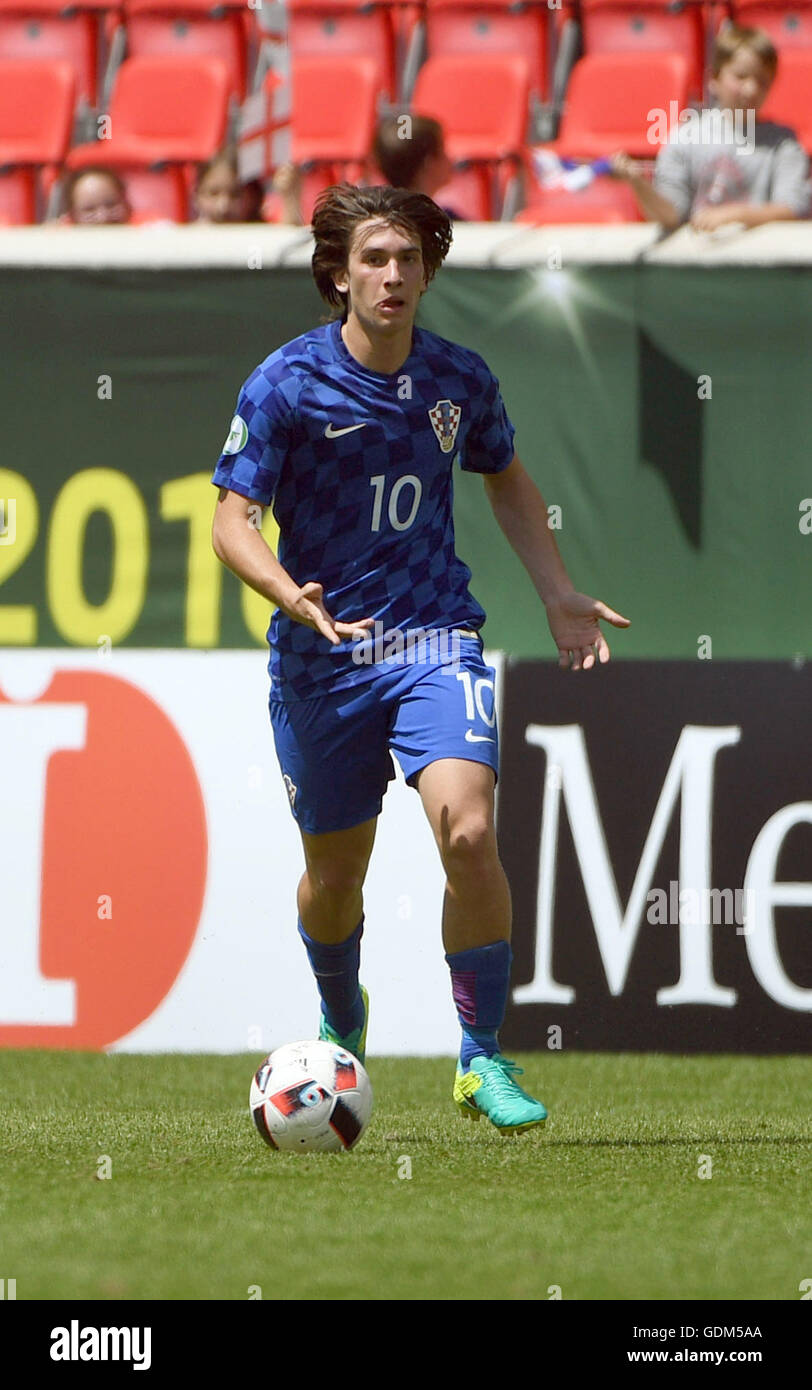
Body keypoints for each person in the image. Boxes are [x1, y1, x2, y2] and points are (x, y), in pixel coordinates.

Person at [210, 184, 630, 1134]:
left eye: (407, 259)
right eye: (373, 259)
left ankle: (481, 1059)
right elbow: (230, 520)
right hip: (324, 654)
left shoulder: (459, 380)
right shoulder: (286, 383)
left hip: (434, 636)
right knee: (334, 875)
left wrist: (556, 589)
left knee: (470, 834)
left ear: (428, 271)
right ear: (339, 273)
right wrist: (287, 593)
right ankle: (340, 1012)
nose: (392, 275)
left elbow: (507, 478)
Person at [611, 25, 811, 231]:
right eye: (741, 77)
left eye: (762, 81)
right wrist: (639, 184)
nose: (751, 89)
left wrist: (736, 215)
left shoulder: (783, 143)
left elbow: (794, 208)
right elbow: (670, 216)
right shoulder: (685, 137)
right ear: (714, 79)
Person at [372, 114, 465, 221]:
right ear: (428, 163)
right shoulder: (443, 222)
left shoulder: (375, 221)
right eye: (443, 152)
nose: (450, 159)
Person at [194, 149, 264, 224]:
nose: (223, 207)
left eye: (234, 195)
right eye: (213, 193)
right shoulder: (184, 234)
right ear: (197, 195)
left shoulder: (267, 234)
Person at [60, 168, 131, 225]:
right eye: (89, 209)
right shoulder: (57, 239)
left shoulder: (141, 232)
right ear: (73, 215)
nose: (103, 218)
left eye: (111, 205)